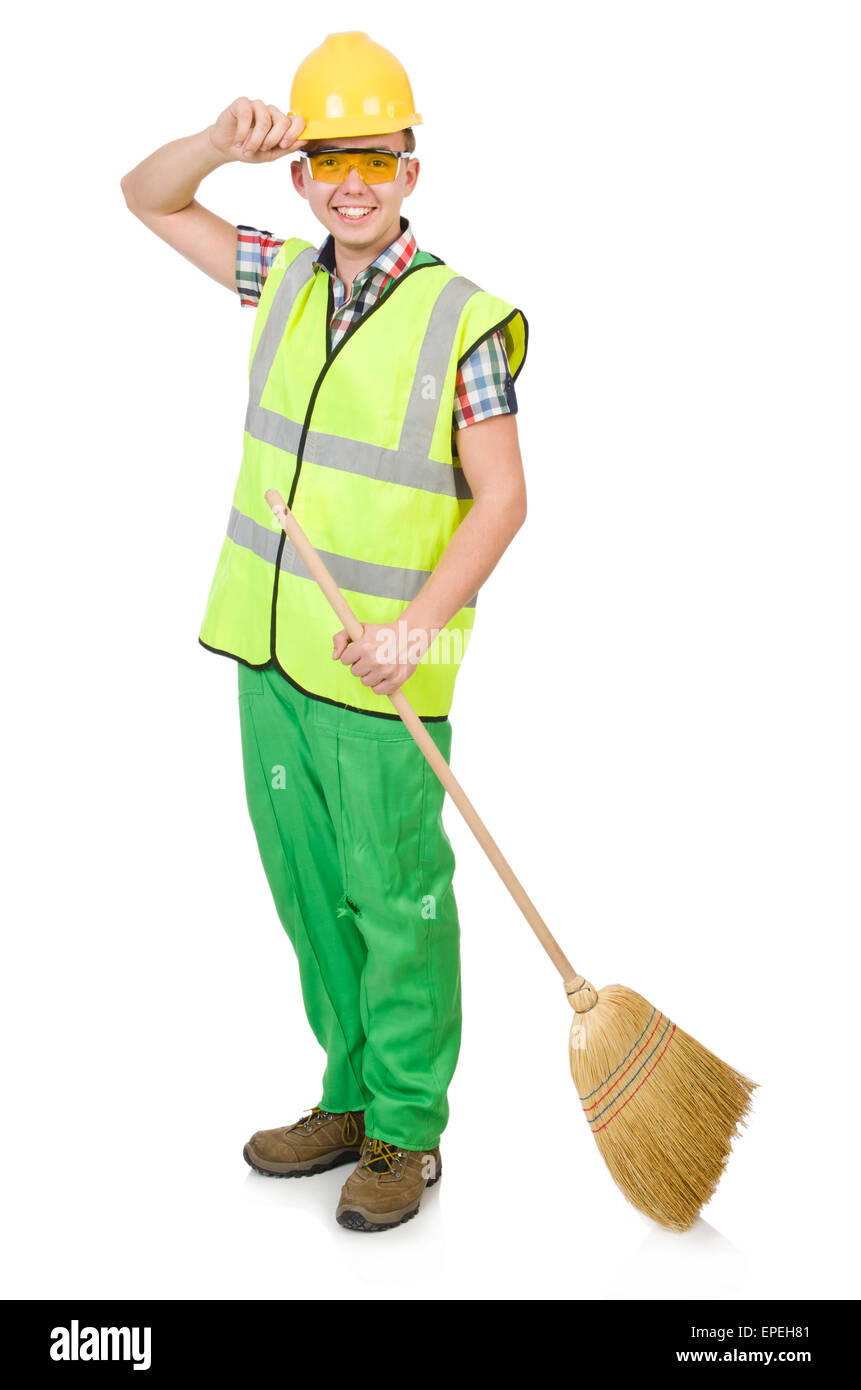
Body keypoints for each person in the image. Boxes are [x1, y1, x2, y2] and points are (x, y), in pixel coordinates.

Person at [121, 31, 528, 1232]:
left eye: (378, 161)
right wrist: (216, 141)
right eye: (330, 160)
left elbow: (504, 498)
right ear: (301, 173)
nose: (354, 183)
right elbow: (144, 197)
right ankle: (348, 1100)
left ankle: (407, 1131)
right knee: (308, 893)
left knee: (394, 901)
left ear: (413, 169)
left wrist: (414, 630)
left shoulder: (463, 322)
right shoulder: (284, 274)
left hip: (385, 668)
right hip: (270, 650)